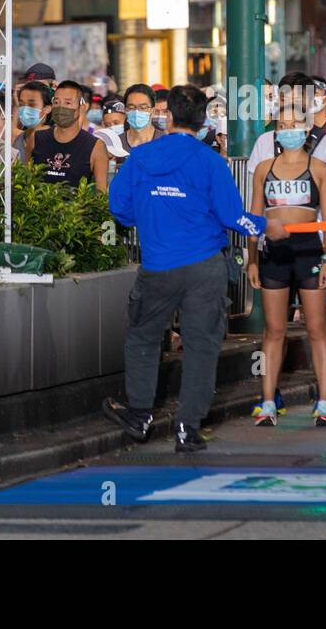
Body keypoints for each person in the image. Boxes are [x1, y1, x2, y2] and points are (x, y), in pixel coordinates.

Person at [102, 85, 288, 453]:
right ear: (204, 123)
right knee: (201, 346)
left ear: (166, 116)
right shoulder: (211, 162)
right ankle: (188, 428)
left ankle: (139, 416)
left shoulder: (140, 158)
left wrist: (156, 217)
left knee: (143, 336)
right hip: (205, 265)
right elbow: (231, 216)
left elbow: (119, 208)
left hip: (157, 265)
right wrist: (269, 226)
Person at [248, 100, 326, 427]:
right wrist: (252, 259)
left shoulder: (319, 168)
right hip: (274, 253)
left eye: (293, 126)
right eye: (282, 126)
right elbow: (255, 217)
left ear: (306, 130)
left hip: (309, 252)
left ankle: (325, 402)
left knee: (317, 328)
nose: (288, 131)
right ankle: (268, 401)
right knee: (274, 330)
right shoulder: (263, 169)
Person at [30, 79, 109, 190]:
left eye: (68, 103)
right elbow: (25, 180)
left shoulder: (96, 146)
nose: (61, 107)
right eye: (56, 102)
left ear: (81, 108)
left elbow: (101, 195)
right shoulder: (36, 138)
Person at [12, 81, 52, 161]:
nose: (25, 109)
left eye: (32, 105)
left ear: (47, 109)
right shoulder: (19, 139)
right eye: (21, 104)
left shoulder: (54, 139)